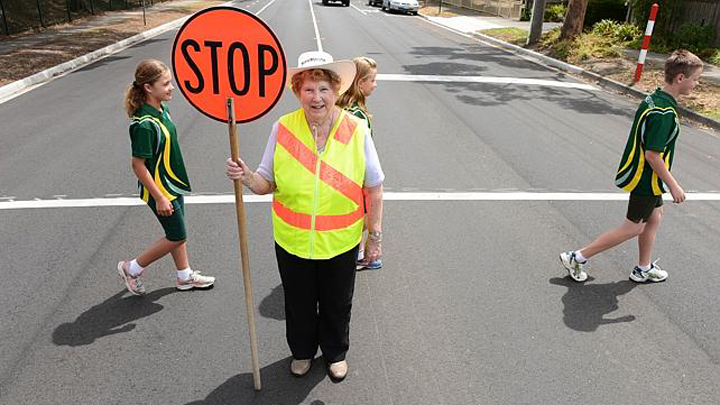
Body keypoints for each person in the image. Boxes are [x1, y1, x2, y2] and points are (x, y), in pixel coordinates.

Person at [226, 51, 384, 382]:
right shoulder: (282, 127)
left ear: (336, 90)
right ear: (298, 91)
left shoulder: (356, 129)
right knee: (298, 305)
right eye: (309, 89)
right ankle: (301, 352)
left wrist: (374, 237)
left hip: (340, 241)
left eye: (324, 88)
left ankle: (335, 352)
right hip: (292, 240)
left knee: (337, 303)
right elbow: (264, 183)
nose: (316, 97)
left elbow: (374, 187)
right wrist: (246, 176)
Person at [560, 50, 703, 283]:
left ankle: (643, 268)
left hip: (649, 178)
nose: (696, 84)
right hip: (646, 178)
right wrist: (674, 186)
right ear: (679, 78)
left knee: (655, 216)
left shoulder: (654, 98)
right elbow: (652, 156)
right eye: (695, 79)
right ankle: (577, 257)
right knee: (632, 228)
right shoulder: (663, 113)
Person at [118, 59, 215, 296]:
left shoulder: (162, 110)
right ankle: (132, 268)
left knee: (178, 233)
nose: (172, 87)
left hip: (172, 183)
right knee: (177, 235)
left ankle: (184, 276)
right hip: (160, 190)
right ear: (148, 88)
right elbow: (138, 165)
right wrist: (159, 197)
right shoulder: (144, 124)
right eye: (166, 83)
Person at [336, 56, 381, 270]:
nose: (375, 84)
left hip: (344, 173)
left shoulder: (342, 106)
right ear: (359, 82)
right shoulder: (356, 115)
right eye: (372, 80)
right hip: (353, 174)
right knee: (362, 214)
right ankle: (358, 253)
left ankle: (359, 251)